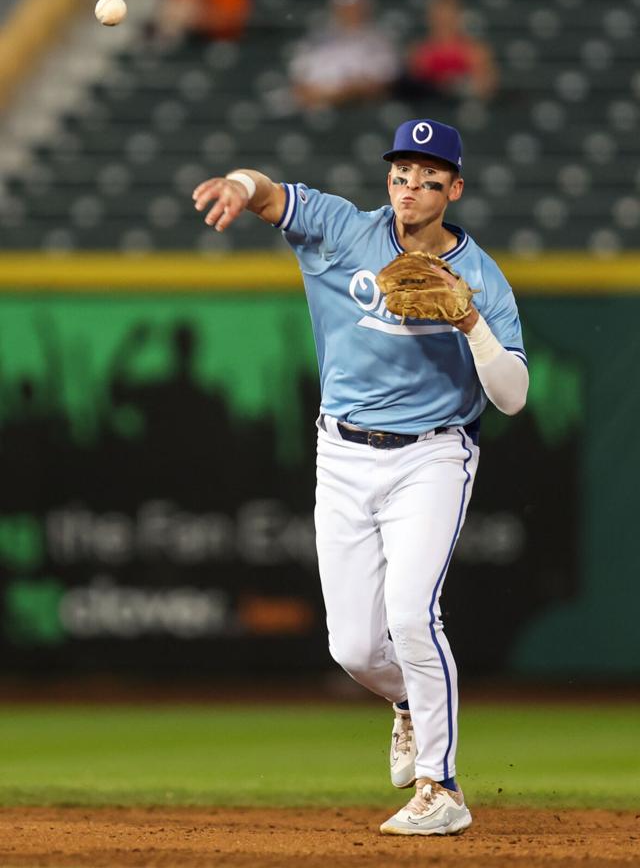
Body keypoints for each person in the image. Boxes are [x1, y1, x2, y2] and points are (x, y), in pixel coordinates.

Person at [192, 118, 528, 835]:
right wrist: (236, 184)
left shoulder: (481, 276)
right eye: (402, 174)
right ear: (390, 180)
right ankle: (409, 705)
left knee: (411, 613)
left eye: (429, 179)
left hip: (432, 454)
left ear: (454, 189)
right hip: (341, 452)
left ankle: (442, 789)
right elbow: (267, 193)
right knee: (352, 648)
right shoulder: (342, 230)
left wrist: (470, 322)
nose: (412, 189)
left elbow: (514, 396)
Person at [289, 0, 400, 110]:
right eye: (343, 5)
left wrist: (338, 94)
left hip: (365, 113)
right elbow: (300, 88)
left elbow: (380, 87)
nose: (349, 11)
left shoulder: (381, 42)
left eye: (355, 5)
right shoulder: (314, 41)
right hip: (320, 112)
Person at [397, 0, 499, 102]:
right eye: (439, 15)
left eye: (449, 15)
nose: (443, 20)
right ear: (430, 17)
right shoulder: (417, 52)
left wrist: (454, 86)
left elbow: (486, 86)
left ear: (458, 17)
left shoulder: (474, 51)